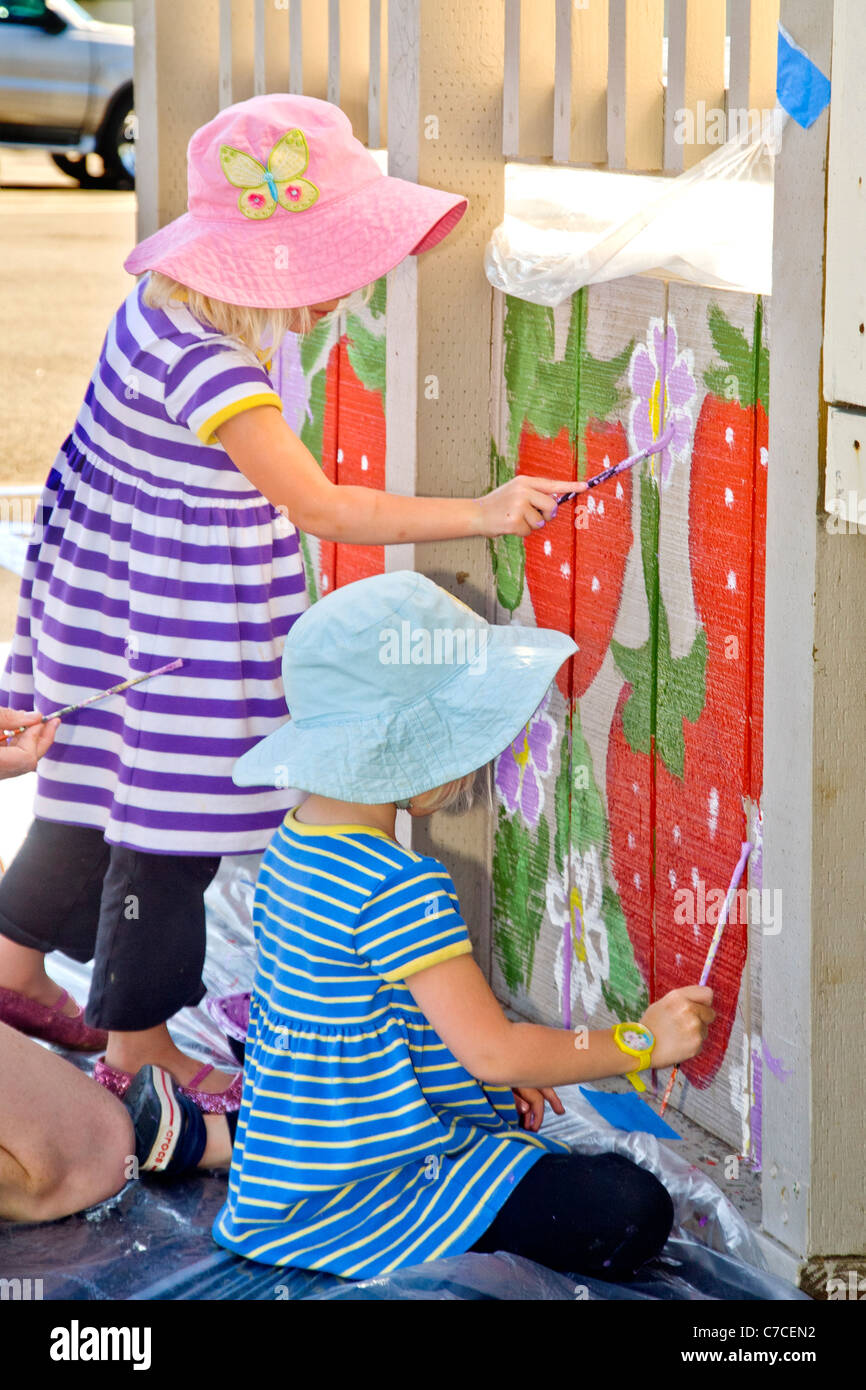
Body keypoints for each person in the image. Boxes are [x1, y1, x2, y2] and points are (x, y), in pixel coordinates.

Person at [0, 94, 581, 1117]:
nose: (334, 297)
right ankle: (141, 1052)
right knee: (166, 832)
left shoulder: (156, 307)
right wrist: (482, 508)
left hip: (101, 586)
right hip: (177, 615)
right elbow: (318, 502)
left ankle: (14, 967)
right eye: (321, 273)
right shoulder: (214, 369)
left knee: (91, 781)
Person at [201, 571, 714, 1280]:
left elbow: (374, 1011)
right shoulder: (396, 886)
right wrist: (644, 1040)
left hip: (293, 1169)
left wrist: (475, 1072)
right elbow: (497, 1055)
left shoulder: (293, 847)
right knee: (630, 1208)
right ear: (408, 745)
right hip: (379, 1186)